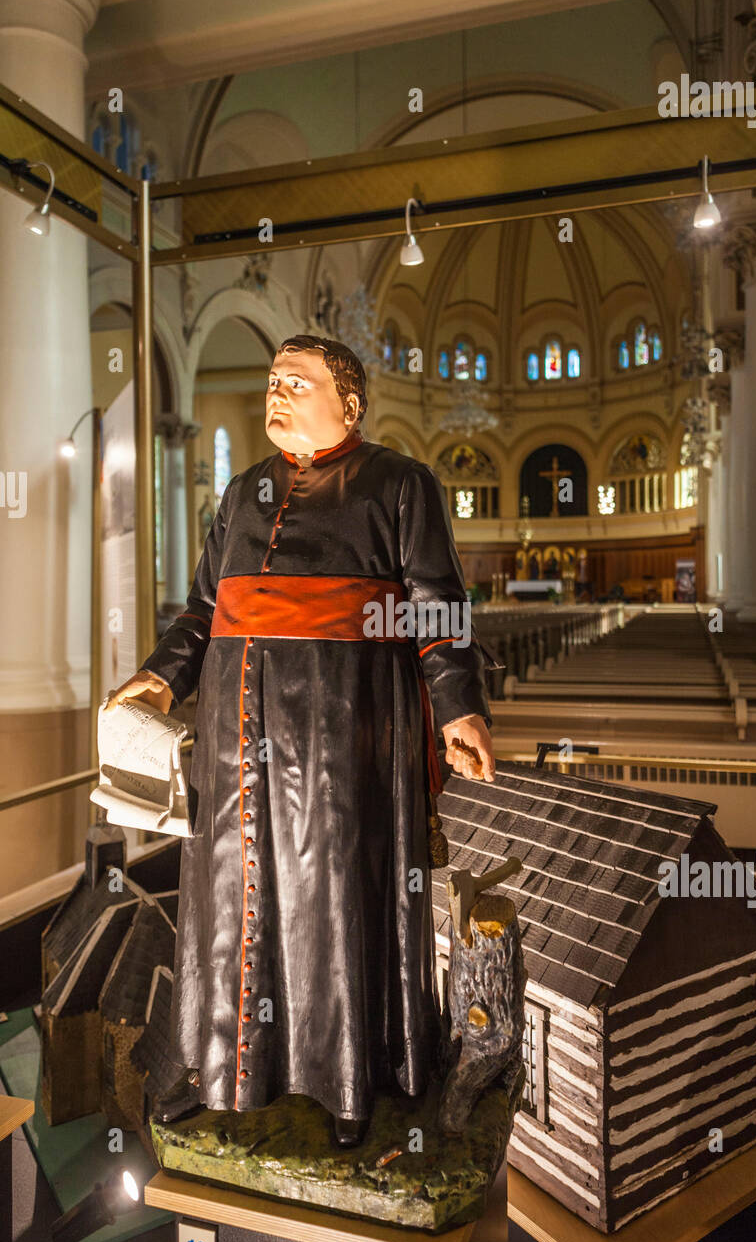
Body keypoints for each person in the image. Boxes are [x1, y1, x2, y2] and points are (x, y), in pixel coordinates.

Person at [108, 335, 494, 1147]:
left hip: (341, 733)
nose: (277, 393)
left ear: (349, 405)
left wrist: (458, 706)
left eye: (298, 382)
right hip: (232, 737)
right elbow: (204, 609)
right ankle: (221, 1068)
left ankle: (348, 1082)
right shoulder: (244, 491)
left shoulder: (398, 483)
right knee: (226, 902)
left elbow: (436, 605)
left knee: (332, 899)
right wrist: (160, 675)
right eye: (272, 381)